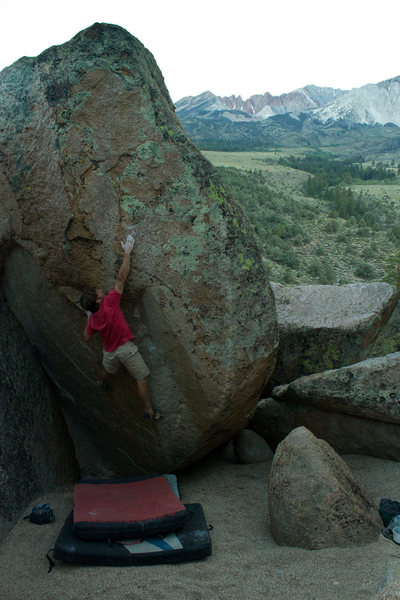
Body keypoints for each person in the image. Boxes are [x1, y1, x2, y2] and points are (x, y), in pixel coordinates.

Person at [80, 233, 160, 420]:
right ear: (99, 300)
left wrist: (89, 317)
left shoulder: (93, 319)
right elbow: (121, 278)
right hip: (126, 350)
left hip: (110, 352)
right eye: (97, 292)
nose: (100, 289)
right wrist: (127, 253)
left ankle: (101, 382)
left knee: (108, 369)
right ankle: (149, 411)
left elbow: (86, 338)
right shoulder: (110, 302)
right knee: (141, 378)